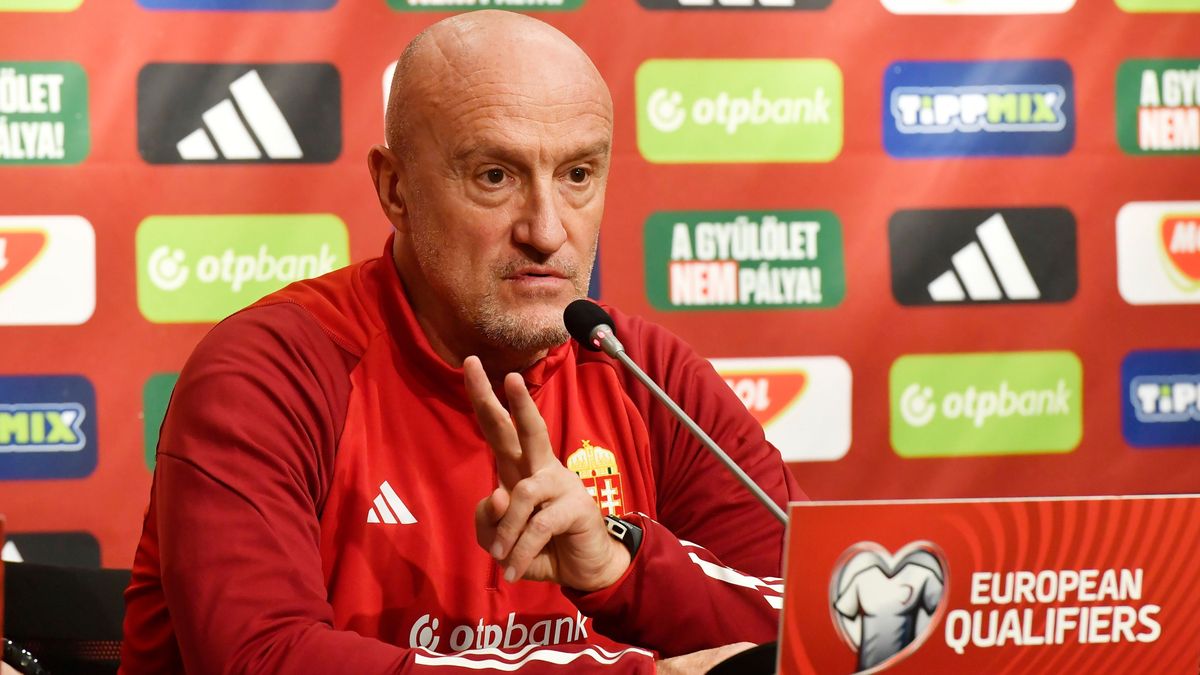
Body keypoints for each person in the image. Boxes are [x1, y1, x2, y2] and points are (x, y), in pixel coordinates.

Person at [120, 10, 803, 674]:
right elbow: (260, 659)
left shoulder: (645, 373)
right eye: (495, 176)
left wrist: (617, 568)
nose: (547, 230)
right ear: (395, 189)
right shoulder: (270, 374)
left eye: (577, 175)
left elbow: (822, 624)